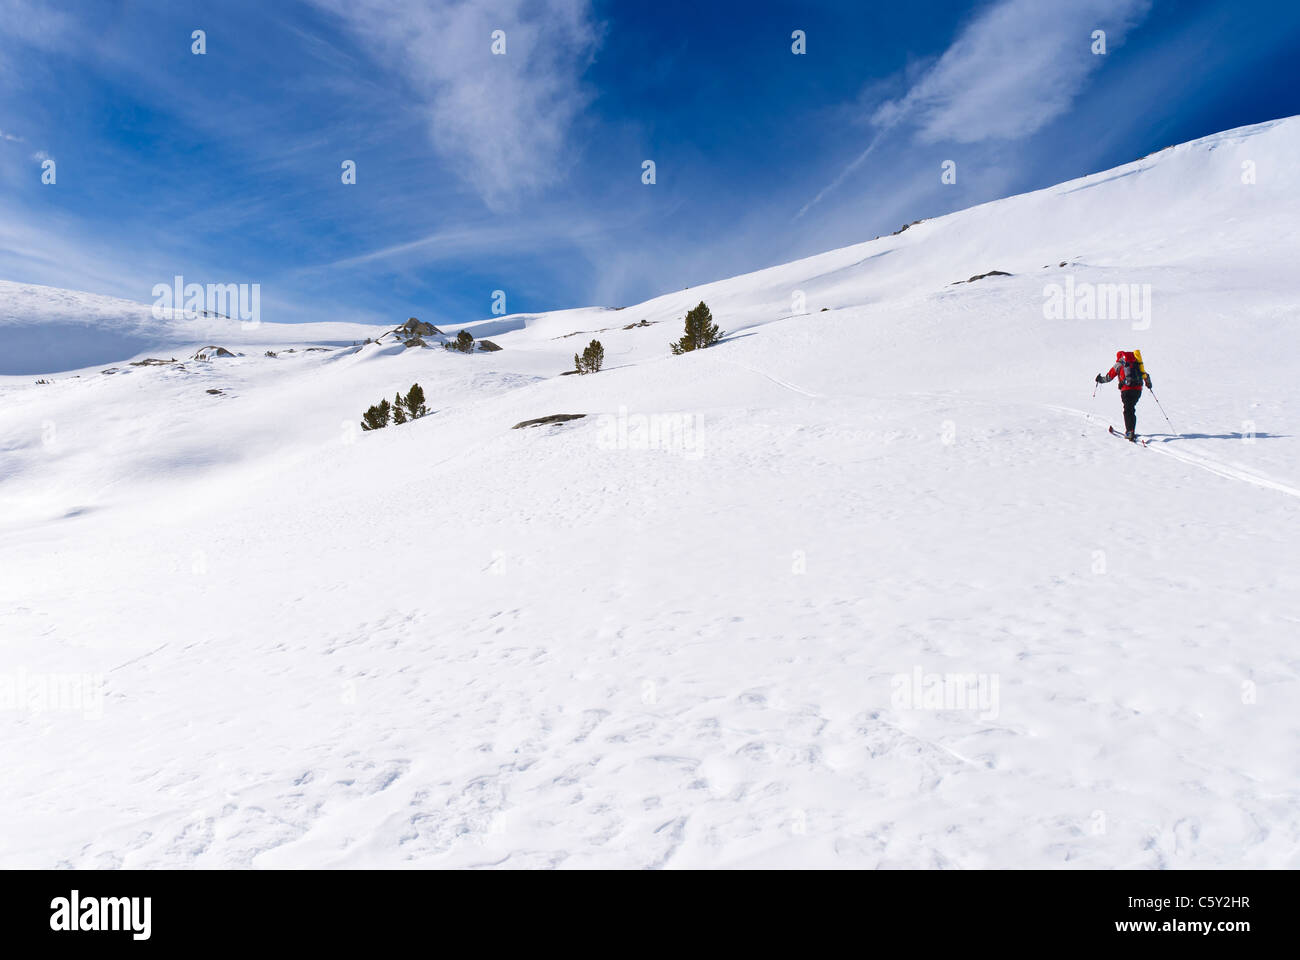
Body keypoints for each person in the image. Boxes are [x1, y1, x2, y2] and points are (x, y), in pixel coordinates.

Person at [1096, 350, 1152, 440]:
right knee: (1130, 409)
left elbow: (1109, 377)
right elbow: (1145, 374)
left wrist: (1100, 379)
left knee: (1128, 410)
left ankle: (1130, 432)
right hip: (1138, 390)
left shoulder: (1119, 364)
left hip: (1127, 390)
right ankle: (1131, 430)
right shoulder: (1136, 362)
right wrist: (1148, 384)